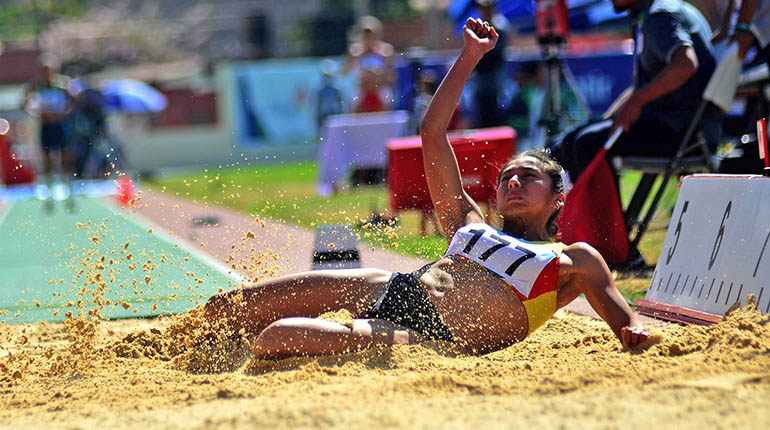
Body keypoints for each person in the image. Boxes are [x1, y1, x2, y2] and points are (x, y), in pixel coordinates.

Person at [203, 19, 649, 360]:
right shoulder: (468, 220)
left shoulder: (574, 260)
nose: (513, 181)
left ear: (558, 199)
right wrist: (470, 58)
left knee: (275, 336)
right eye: (506, 177)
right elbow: (432, 133)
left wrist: (634, 331)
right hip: (394, 287)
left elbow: (624, 320)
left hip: (436, 335)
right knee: (230, 308)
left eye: (529, 177)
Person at [548, 0, 719, 268]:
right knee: (568, 140)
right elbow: (641, 88)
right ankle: (572, 238)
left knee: (585, 144)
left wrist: (637, 103)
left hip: (683, 133)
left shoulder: (660, 16)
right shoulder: (659, 11)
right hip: (674, 124)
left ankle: (613, 249)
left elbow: (685, 64)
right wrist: (611, 116)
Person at [21, 65, 75, 211]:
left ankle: (69, 192)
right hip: (46, 126)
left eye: (49, 71)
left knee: (64, 159)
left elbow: (73, 101)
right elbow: (23, 103)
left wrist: (64, 113)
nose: (47, 74)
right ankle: (49, 194)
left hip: (60, 125)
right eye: (44, 71)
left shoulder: (61, 85)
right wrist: (37, 114)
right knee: (47, 160)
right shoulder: (36, 86)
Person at [342, 16, 394, 114]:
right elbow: (344, 72)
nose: (368, 38)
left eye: (370, 34)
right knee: (352, 103)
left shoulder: (385, 52)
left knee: (387, 100)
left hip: (379, 89)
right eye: (365, 35)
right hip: (362, 90)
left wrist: (376, 76)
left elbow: (390, 75)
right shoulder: (355, 52)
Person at [471, 0, 510, 128]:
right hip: (481, 84)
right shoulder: (478, 27)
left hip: (495, 83)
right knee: (482, 121)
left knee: (496, 120)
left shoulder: (499, 27)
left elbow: (495, 57)